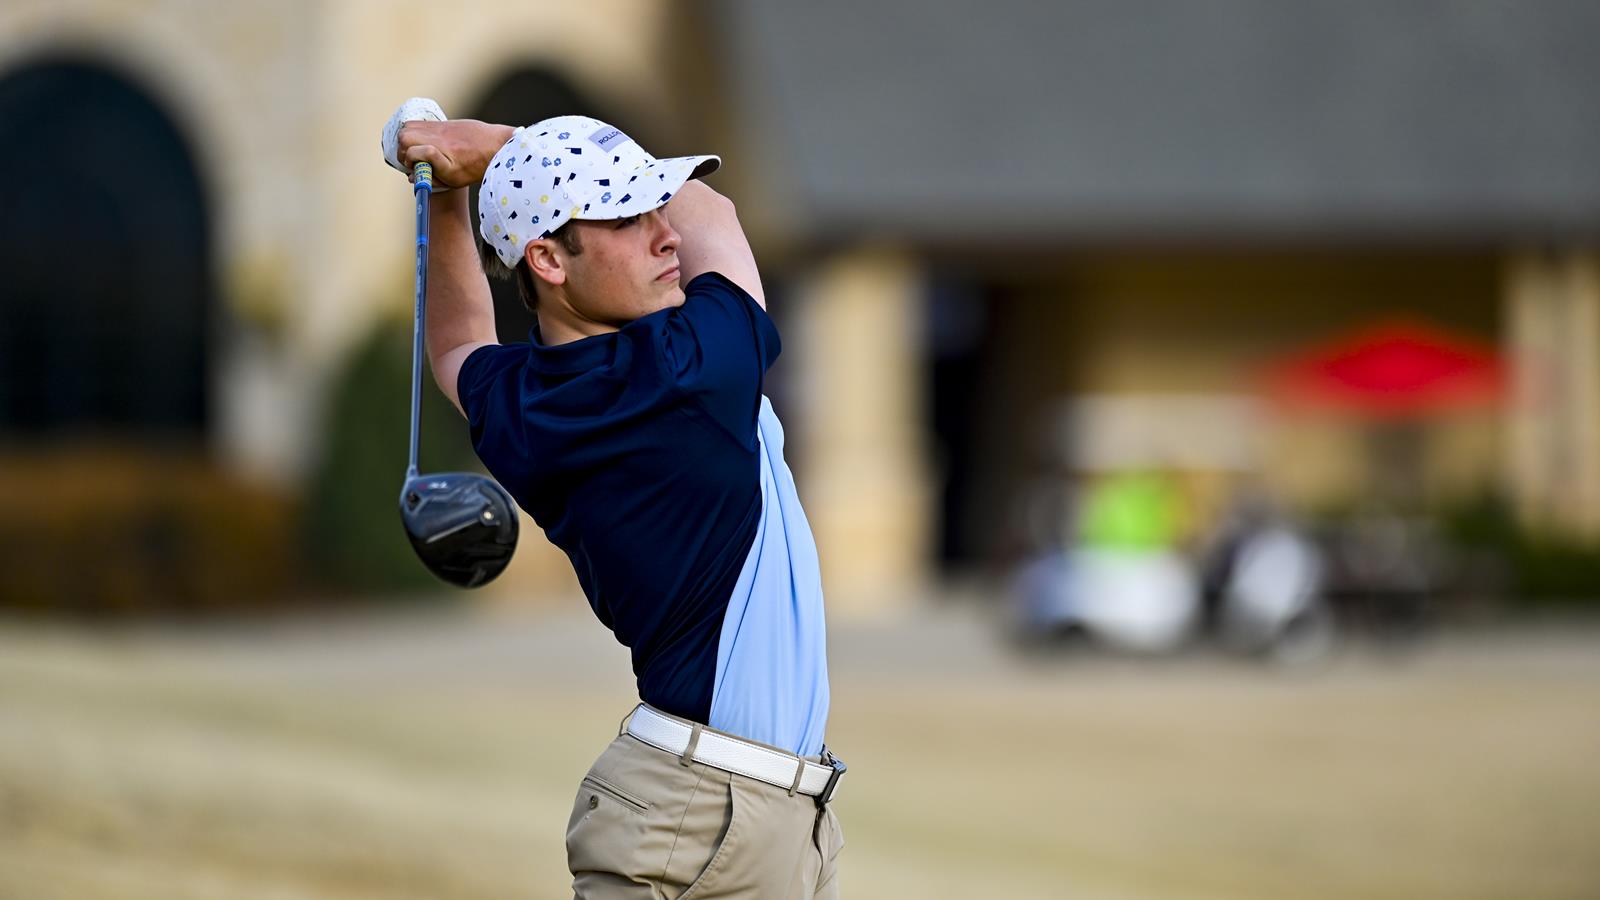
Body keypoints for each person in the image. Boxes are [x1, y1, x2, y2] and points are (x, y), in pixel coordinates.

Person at [386, 108, 844, 898]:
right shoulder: (692, 366)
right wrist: (495, 146)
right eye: (627, 217)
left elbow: (458, 344)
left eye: (655, 208)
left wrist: (447, 197)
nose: (666, 234)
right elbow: (718, 215)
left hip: (713, 811)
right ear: (548, 261)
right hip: (707, 816)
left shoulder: (526, 406)